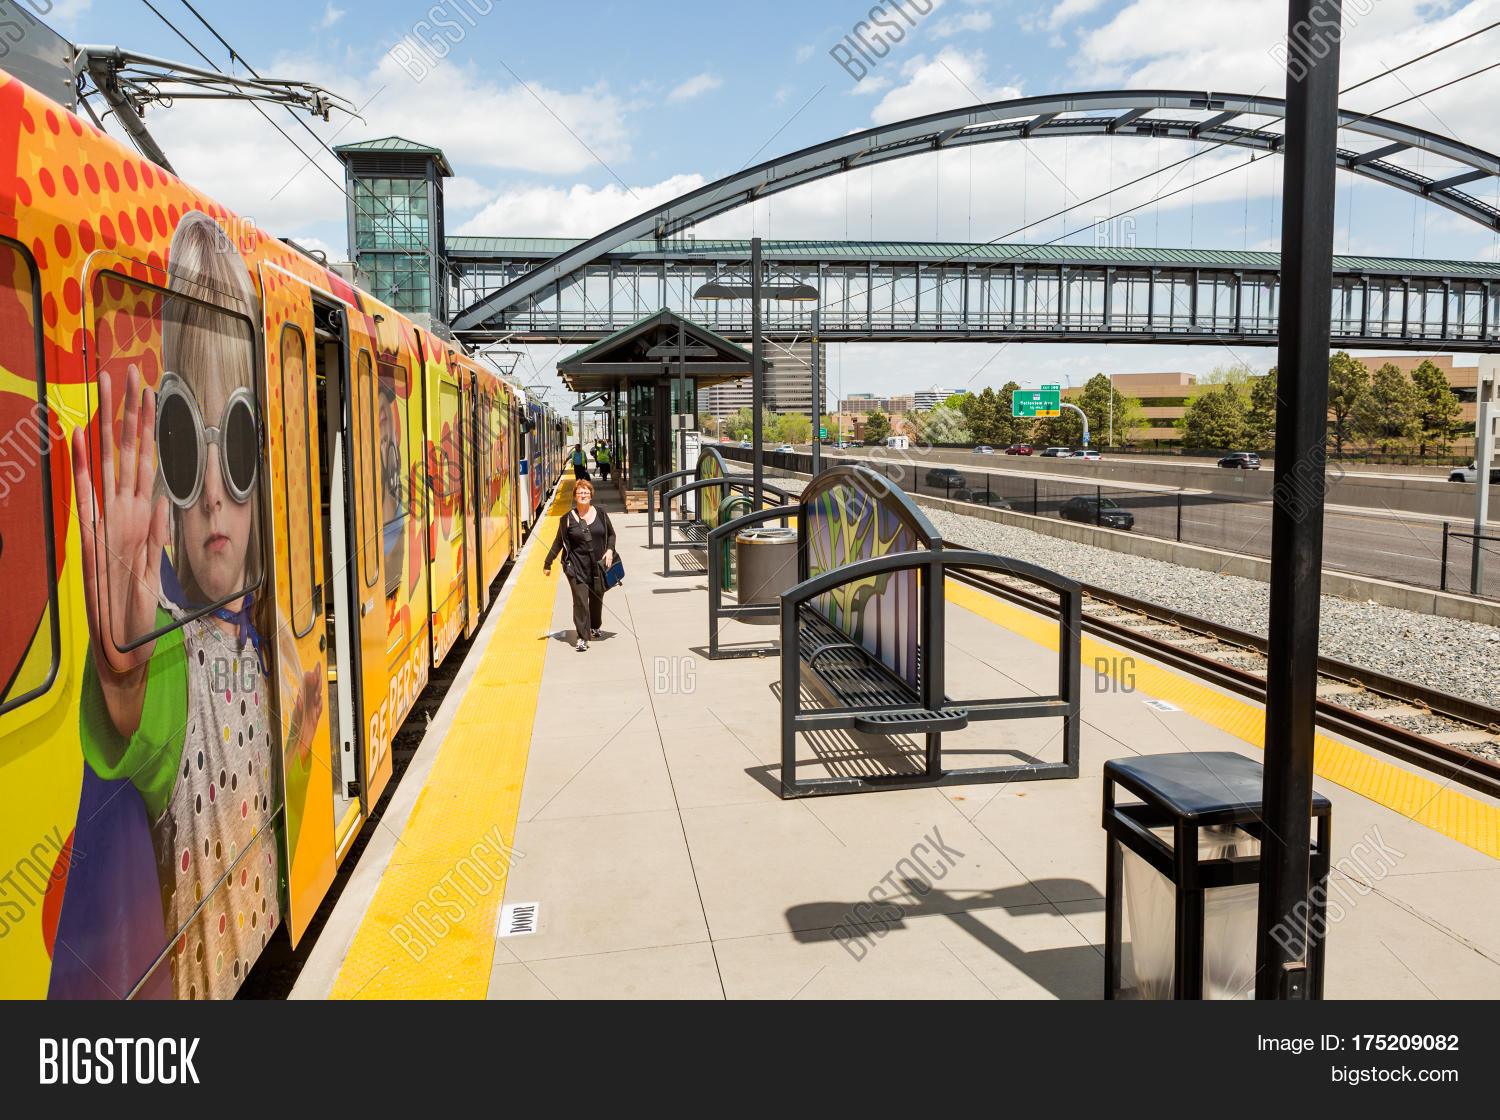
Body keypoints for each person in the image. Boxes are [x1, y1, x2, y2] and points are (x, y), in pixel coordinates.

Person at [55, 210, 322, 999]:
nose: (212, 493)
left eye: (236, 448)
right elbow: (148, 709)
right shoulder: (180, 653)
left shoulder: (264, 632)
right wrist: (122, 670)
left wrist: (306, 730)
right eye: (181, 445)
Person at [543, 478, 615, 651]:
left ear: (591, 495)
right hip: (575, 567)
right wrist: (548, 562)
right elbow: (558, 543)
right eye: (580, 493)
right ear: (575, 496)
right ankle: (582, 637)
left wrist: (610, 550)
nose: (583, 495)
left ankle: (595, 626)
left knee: (597, 599)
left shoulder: (601, 514)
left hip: (598, 566)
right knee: (581, 601)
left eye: (586, 492)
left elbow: (611, 535)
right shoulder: (566, 519)